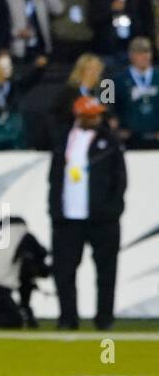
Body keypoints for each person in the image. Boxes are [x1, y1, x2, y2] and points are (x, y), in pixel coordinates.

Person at [48, 96, 127, 331]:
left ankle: (104, 319)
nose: (96, 119)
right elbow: (53, 178)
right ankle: (67, 318)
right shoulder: (63, 139)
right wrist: (54, 210)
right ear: (79, 116)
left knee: (106, 272)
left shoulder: (109, 142)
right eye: (91, 115)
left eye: (98, 115)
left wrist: (113, 210)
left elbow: (120, 180)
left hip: (102, 219)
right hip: (68, 218)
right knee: (64, 271)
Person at [115, 37, 159, 149]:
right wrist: (117, 129)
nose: (144, 56)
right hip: (129, 139)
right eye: (139, 52)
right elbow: (107, 106)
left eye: (147, 51)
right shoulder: (117, 79)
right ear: (131, 55)